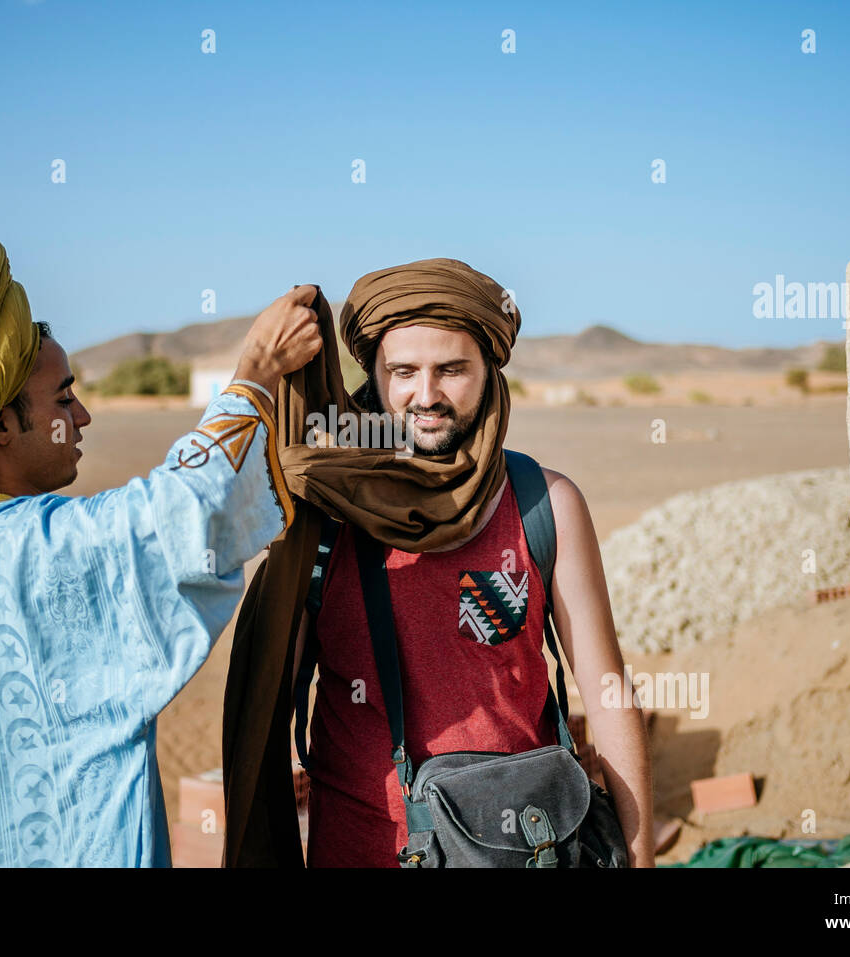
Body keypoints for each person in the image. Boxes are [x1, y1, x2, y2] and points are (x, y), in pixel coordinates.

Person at [0, 238, 321, 866]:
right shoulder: (21, 548)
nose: (81, 416)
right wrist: (253, 374)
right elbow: (185, 515)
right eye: (62, 398)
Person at [222, 259, 653, 867]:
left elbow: (607, 694)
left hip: (521, 850)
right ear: (372, 376)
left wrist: (640, 856)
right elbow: (264, 697)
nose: (426, 396)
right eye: (403, 372)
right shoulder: (325, 518)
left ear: (490, 373)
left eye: (451, 370)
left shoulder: (544, 504)